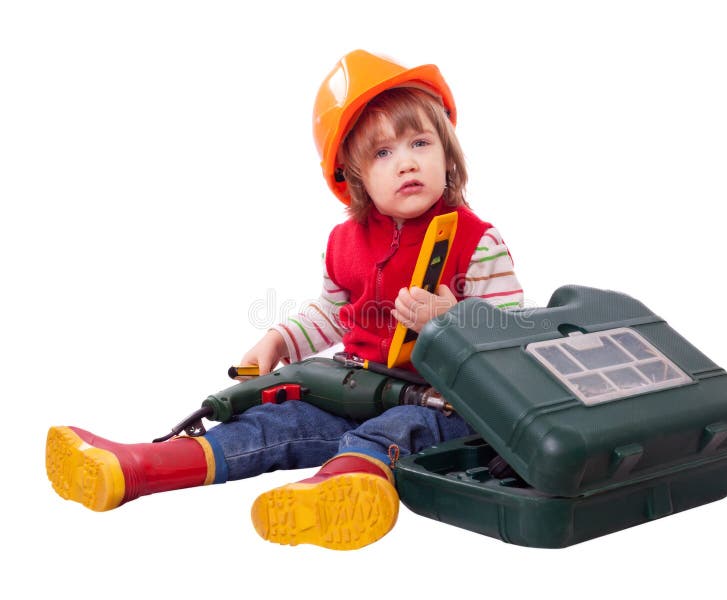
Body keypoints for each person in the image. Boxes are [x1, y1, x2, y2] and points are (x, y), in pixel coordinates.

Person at [45, 50, 524, 550]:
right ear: (352, 175)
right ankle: (137, 467)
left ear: (447, 155)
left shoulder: (477, 242)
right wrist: (279, 340)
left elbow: (517, 341)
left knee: (393, 432)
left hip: (444, 403)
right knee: (270, 424)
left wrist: (453, 321)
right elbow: (330, 312)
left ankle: (339, 491)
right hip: (356, 386)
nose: (406, 161)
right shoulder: (346, 241)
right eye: (382, 153)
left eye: (420, 143)